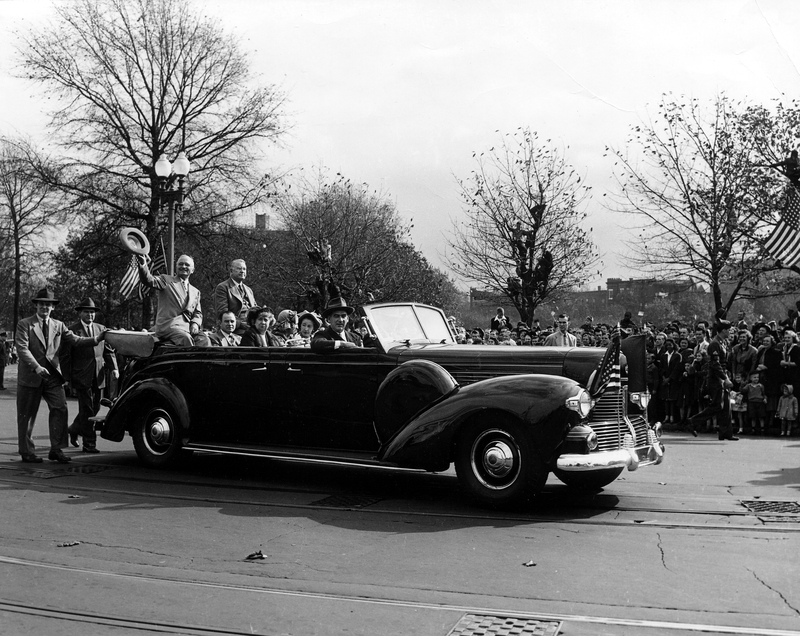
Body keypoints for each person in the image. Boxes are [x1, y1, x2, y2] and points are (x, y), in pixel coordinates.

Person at [16, 288, 106, 464]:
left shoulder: (59, 325)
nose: (45, 307)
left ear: (53, 308)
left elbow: (76, 340)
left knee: (60, 409)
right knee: (27, 415)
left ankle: (56, 450)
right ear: (36, 305)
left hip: (52, 377)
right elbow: (22, 348)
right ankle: (27, 452)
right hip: (31, 376)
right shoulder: (25, 324)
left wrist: (97, 339)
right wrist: (36, 367)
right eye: (42, 304)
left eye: (48, 305)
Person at [63, 297, 119, 453]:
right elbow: (66, 356)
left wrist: (114, 368)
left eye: (92, 312)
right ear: (80, 313)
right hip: (82, 376)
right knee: (87, 409)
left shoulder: (101, 328)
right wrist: (66, 378)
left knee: (94, 408)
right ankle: (89, 443)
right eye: (86, 312)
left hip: (99, 375)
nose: (90, 315)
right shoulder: (72, 330)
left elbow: (108, 350)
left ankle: (74, 428)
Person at [137, 253, 209, 346]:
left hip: (187, 328)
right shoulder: (166, 280)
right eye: (180, 264)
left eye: (187, 265)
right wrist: (143, 265)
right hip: (168, 327)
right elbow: (148, 279)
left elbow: (198, 313)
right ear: (176, 267)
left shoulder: (196, 292)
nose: (183, 266)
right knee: (185, 338)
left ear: (193, 270)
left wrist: (195, 323)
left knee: (204, 340)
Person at [690, 319, 737, 440]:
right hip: (715, 379)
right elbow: (715, 364)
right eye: (729, 330)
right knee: (717, 406)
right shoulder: (714, 344)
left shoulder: (723, 342)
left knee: (726, 406)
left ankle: (726, 433)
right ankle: (693, 422)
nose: (730, 332)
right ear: (724, 330)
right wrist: (724, 378)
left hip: (721, 377)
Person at [214, 259, 257, 336]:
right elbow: (222, 312)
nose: (242, 271)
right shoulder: (223, 287)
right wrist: (241, 324)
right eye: (239, 268)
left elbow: (255, 309)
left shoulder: (248, 290)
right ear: (231, 271)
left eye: (244, 269)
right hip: (235, 330)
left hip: (251, 328)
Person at [741, 371, 767, 435]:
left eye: (757, 377)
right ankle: (753, 429)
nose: (756, 379)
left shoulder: (760, 386)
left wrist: (765, 399)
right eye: (754, 377)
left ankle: (762, 429)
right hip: (751, 402)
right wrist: (742, 384)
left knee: (761, 416)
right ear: (750, 378)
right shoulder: (749, 386)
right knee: (753, 417)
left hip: (760, 402)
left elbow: (764, 394)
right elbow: (743, 391)